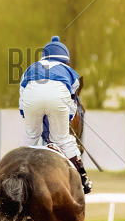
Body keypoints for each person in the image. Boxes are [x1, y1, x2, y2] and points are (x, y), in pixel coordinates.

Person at [19, 35, 91, 193]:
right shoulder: (70, 72)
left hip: (31, 97)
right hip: (58, 98)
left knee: (31, 136)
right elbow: (72, 103)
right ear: (65, 59)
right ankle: (83, 178)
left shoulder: (31, 67)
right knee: (63, 139)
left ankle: (18, 174)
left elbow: (22, 95)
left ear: (44, 57)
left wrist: (27, 114)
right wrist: (67, 119)